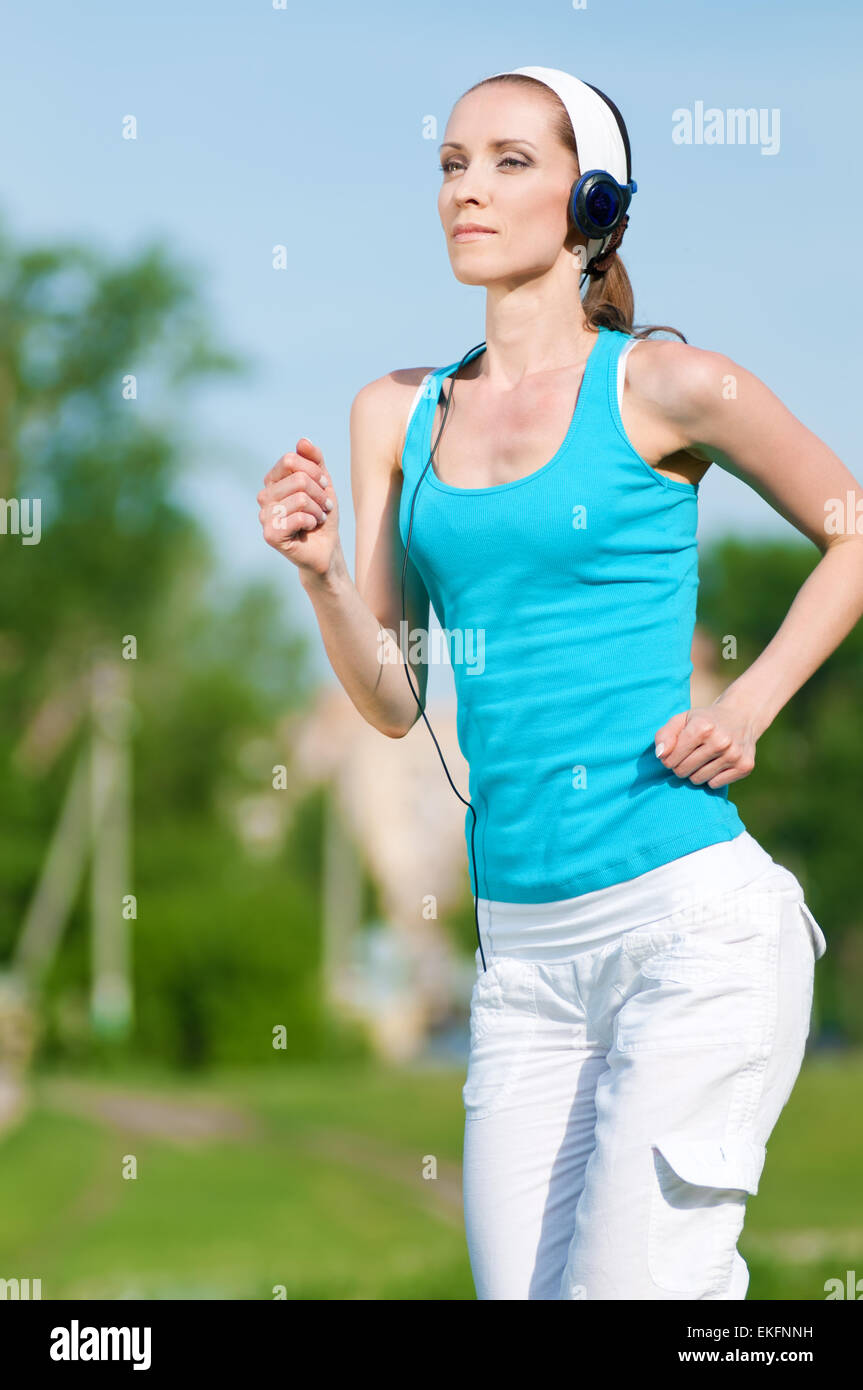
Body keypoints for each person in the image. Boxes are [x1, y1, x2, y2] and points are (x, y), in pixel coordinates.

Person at [257, 66, 862, 1299]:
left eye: (507, 162)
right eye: (449, 163)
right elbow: (390, 700)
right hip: (521, 970)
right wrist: (320, 574)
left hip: (690, 936)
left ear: (590, 200)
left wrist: (746, 705)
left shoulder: (664, 386)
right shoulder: (396, 414)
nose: (466, 189)